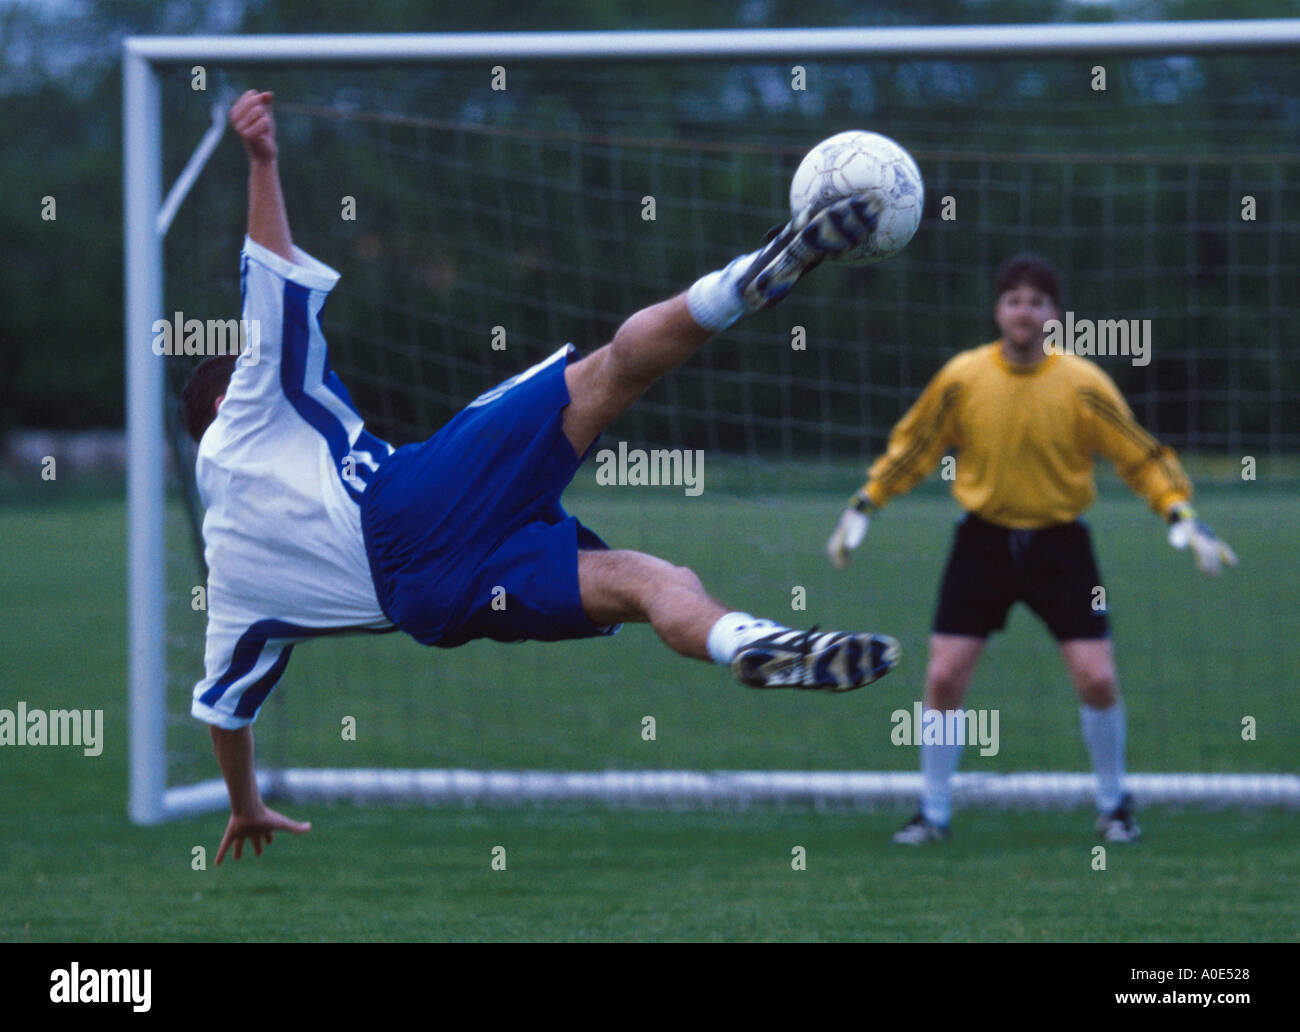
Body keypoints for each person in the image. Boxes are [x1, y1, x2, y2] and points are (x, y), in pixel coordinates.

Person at [186, 90, 901, 863]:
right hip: (406, 504)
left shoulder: (227, 588)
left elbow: (224, 710)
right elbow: (268, 270)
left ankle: (749, 642)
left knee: (647, 581)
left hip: (433, 606)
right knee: (610, 374)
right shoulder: (251, 403)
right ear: (223, 397)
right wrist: (262, 160)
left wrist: (247, 804)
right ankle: (751, 276)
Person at [825, 253, 1237, 844]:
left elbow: (1137, 455)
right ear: (998, 310)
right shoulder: (964, 377)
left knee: (1096, 678)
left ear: (1054, 314)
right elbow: (916, 446)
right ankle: (933, 813)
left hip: (1062, 548)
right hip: (982, 544)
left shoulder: (1083, 384)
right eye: (1014, 300)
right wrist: (867, 501)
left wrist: (1180, 512)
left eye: (1037, 302)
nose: (1025, 312)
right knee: (943, 677)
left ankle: (1115, 805)